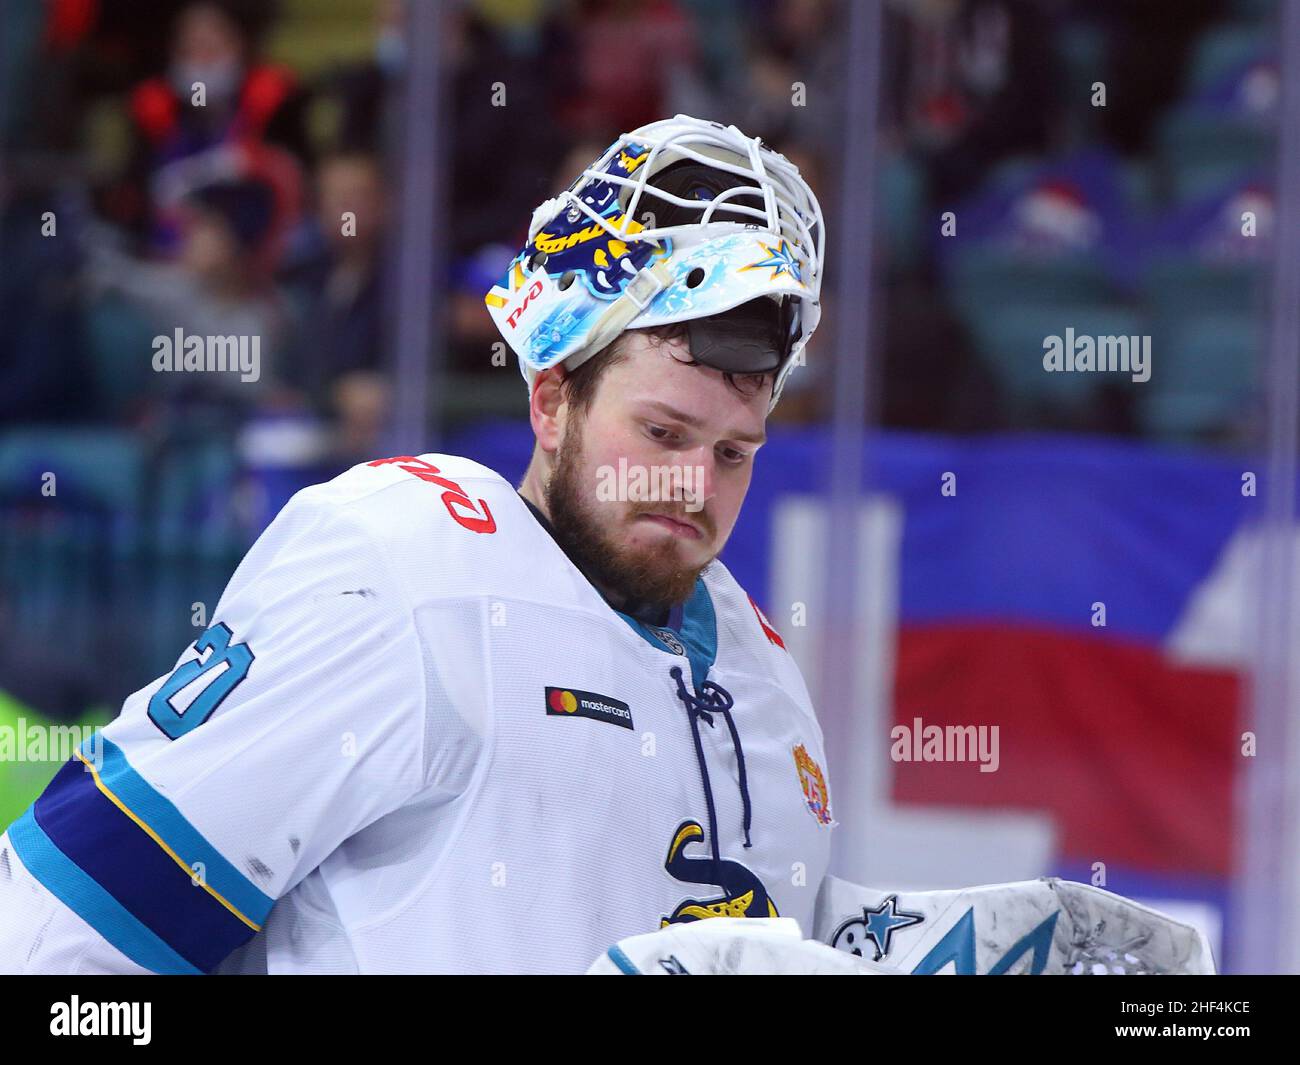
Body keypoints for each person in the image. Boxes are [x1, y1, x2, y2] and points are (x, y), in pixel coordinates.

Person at [0, 116, 833, 974]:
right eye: (662, 433)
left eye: (734, 452)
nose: (694, 484)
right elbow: (66, 926)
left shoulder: (760, 674)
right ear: (551, 400)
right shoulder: (408, 580)